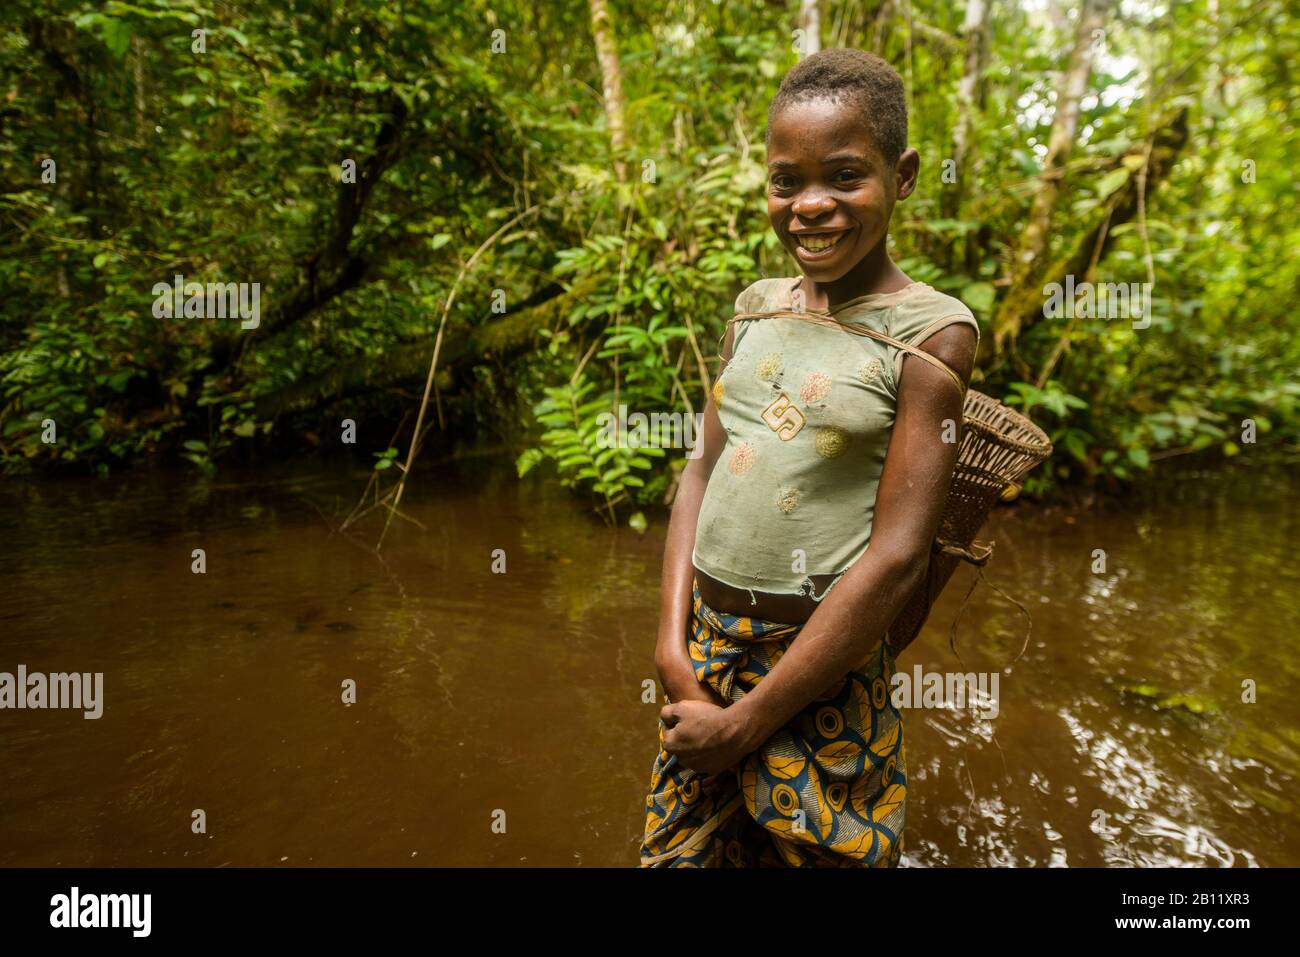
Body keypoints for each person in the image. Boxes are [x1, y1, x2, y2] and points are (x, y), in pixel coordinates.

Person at [639, 48, 979, 867]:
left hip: (819, 674)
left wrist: (748, 722)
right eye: (786, 181)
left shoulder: (932, 333)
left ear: (904, 176)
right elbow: (700, 474)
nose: (810, 206)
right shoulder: (754, 310)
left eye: (845, 177)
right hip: (705, 654)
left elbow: (898, 558)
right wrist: (668, 646)